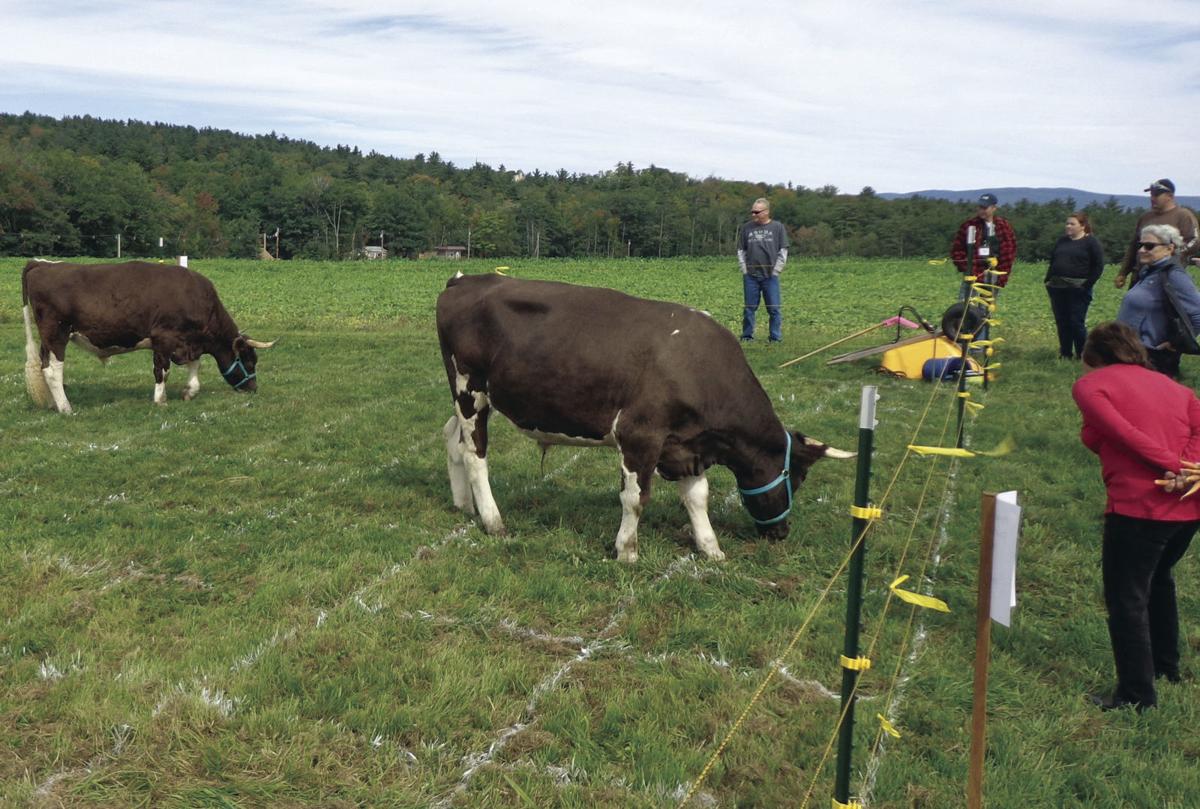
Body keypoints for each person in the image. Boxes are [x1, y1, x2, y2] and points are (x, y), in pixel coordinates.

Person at [1073, 321, 1200, 712]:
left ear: (1094, 354)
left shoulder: (1091, 386)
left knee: (1126, 598)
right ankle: (1166, 666)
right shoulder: (1178, 388)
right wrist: (1190, 467)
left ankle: (1136, 695)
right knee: (1160, 580)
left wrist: (1171, 465)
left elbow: (1123, 433)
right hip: (1188, 506)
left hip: (1139, 507)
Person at [1116, 224, 1200, 378]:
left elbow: (1198, 314)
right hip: (1131, 351)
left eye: (1149, 246)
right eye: (1140, 245)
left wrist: (1175, 344)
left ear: (1169, 248)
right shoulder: (1148, 271)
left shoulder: (1174, 275)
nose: (1142, 250)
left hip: (1153, 357)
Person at [1114, 179, 1200, 288]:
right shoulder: (1145, 217)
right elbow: (1134, 246)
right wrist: (1123, 272)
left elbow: (1194, 241)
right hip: (1140, 276)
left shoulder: (1183, 215)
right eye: (1151, 194)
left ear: (1170, 196)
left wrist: (1172, 253)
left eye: (1156, 195)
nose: (1152, 198)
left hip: (1167, 277)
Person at [1045, 212, 1105, 359]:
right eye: (1067, 223)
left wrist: (1087, 284)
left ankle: (1082, 354)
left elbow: (1098, 266)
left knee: (1076, 322)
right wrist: (1048, 279)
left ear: (1082, 226)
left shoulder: (1091, 242)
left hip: (1078, 288)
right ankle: (1065, 353)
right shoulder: (1062, 241)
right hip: (1057, 287)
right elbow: (1053, 260)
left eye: (1072, 224)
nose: (1068, 226)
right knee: (1062, 321)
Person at [737, 198, 788, 343]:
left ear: (766, 212)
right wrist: (744, 270)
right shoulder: (747, 228)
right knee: (749, 308)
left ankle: (775, 338)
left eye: (757, 212)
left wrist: (776, 270)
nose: (753, 214)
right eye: (752, 212)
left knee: (774, 308)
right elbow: (741, 250)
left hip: (770, 276)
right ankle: (747, 336)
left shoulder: (777, 227)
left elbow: (783, 250)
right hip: (751, 276)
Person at [950, 193, 1018, 301]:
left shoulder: (1003, 226)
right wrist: (967, 268)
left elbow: (1009, 251)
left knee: (986, 310)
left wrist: (1002, 275)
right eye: (980, 207)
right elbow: (957, 250)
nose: (981, 210)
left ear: (994, 208)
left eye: (985, 208)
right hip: (973, 275)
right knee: (965, 306)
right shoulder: (969, 225)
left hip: (994, 275)